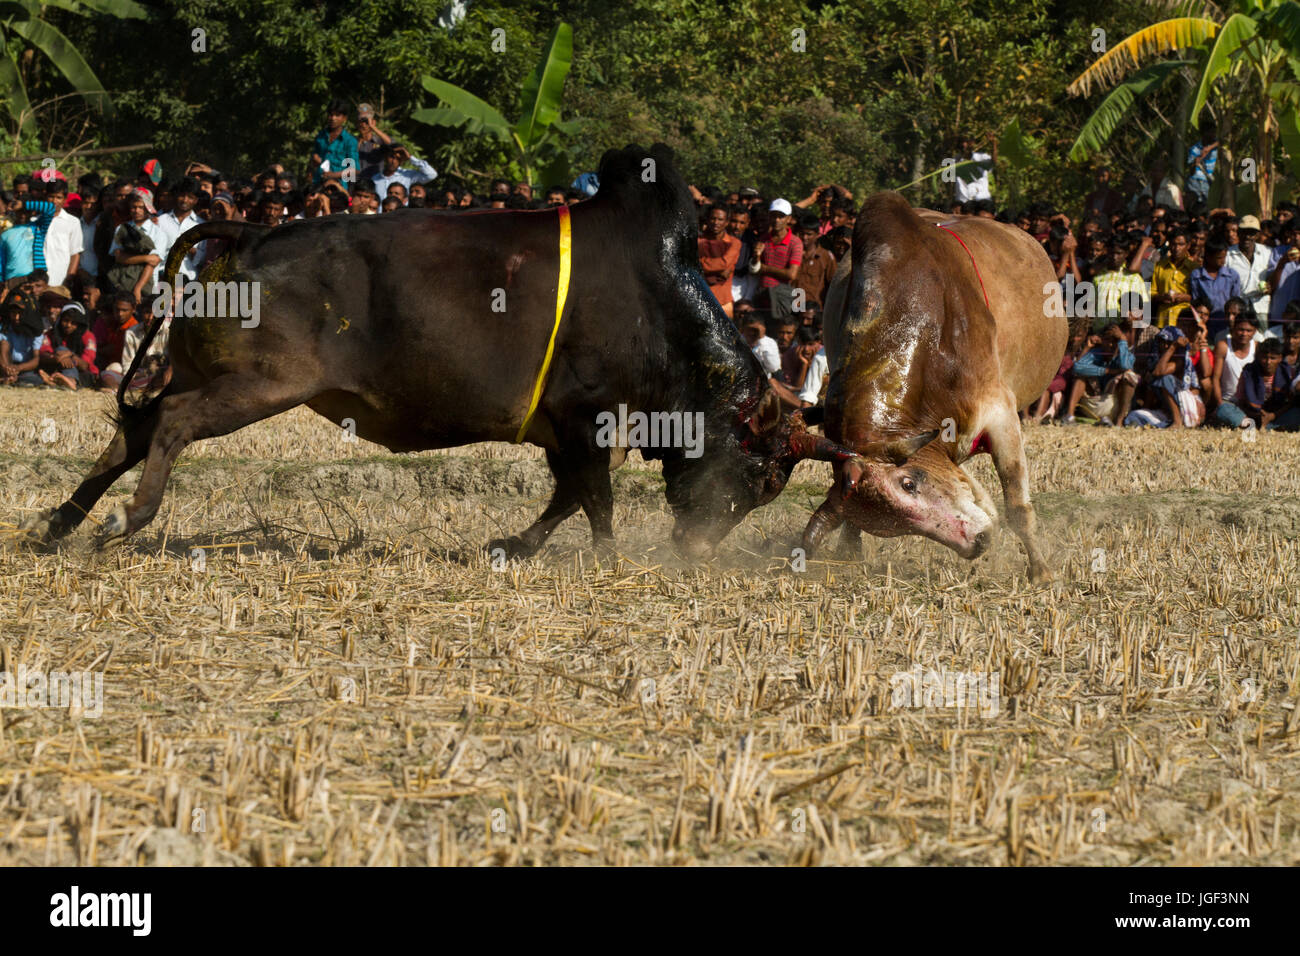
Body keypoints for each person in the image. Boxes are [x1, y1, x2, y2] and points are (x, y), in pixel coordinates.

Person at [1062, 321, 1136, 425]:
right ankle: (1069, 416)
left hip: (1114, 404)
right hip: (1093, 404)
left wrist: (1123, 340)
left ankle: (1119, 421)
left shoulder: (1126, 355)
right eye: (1107, 340)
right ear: (1101, 341)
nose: (1111, 344)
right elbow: (1077, 367)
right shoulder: (1096, 352)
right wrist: (1107, 371)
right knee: (1080, 378)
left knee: (1129, 376)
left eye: (1115, 341)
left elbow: (1125, 366)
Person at [749, 199, 802, 319]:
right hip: (763, 295)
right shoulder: (763, 239)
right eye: (774, 216)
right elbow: (754, 269)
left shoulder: (795, 242)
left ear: (788, 219)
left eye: (781, 216)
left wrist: (764, 268)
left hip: (782, 296)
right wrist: (756, 257)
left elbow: (791, 274)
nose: (777, 220)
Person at [1211, 311, 1259, 428]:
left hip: (1249, 403)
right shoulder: (1223, 346)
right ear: (1233, 329)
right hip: (1228, 402)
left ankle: (1244, 421)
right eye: (1241, 329)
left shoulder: (1257, 347)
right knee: (1223, 411)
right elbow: (1215, 378)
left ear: (1254, 331)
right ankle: (1246, 422)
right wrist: (1219, 403)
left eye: (1248, 331)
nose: (1244, 334)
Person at [37, 301, 96, 389]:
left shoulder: (88, 336)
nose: (68, 325)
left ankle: (70, 380)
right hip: (57, 367)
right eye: (66, 321)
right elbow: (43, 354)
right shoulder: (50, 334)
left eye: (73, 323)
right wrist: (57, 358)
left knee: (61, 349)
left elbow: (85, 365)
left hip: (82, 373)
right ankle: (57, 382)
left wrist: (71, 356)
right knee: (30, 376)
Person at [1227, 214, 1272, 328]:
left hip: (1261, 306)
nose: (1247, 236)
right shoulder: (1228, 254)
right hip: (1239, 307)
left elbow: (1272, 277)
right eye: (1244, 232)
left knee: (1263, 335)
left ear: (1257, 235)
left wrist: (1269, 286)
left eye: (1251, 233)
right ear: (1238, 233)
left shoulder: (1267, 252)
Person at [697, 203, 741, 314]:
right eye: (713, 218)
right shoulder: (698, 241)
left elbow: (724, 263)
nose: (716, 222)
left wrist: (701, 263)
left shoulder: (734, 243)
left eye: (720, 219)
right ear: (707, 220)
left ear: (726, 222)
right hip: (700, 298)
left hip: (723, 301)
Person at [39, 180, 82, 288]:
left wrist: (69, 279)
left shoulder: (73, 222)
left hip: (61, 280)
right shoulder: (35, 221)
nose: (54, 201)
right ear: (45, 197)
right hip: (38, 282)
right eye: (51, 196)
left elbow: (75, 254)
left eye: (58, 197)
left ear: (65, 199)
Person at [309, 100, 359, 191]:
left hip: (338, 188)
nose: (333, 118)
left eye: (337, 115)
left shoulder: (349, 141)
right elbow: (314, 159)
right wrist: (315, 160)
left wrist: (333, 175)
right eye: (331, 115)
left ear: (344, 118)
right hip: (318, 184)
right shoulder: (320, 136)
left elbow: (354, 170)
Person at [1151, 227, 1195, 327]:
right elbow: (1151, 293)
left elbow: (1199, 297)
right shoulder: (1159, 266)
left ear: (1188, 245)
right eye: (1173, 244)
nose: (1176, 248)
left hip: (1184, 322)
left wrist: (1186, 297)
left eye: (1181, 244)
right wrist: (1162, 297)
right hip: (1162, 321)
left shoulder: (1194, 268)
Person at [792, 212, 836, 313]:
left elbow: (833, 286)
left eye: (809, 234)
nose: (804, 237)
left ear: (817, 235)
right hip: (793, 309)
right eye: (802, 233)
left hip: (815, 312)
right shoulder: (792, 253)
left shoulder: (826, 257)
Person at [370, 145, 436, 204]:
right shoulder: (375, 179)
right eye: (391, 157)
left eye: (398, 159)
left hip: (401, 213)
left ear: (401, 161)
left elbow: (432, 174)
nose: (393, 161)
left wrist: (410, 157)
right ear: (385, 157)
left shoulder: (408, 176)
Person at [0, 298, 44, 386]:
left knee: (34, 379)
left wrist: (18, 368)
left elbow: (36, 359)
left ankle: (11, 380)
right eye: (13, 313)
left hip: (25, 367)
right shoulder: (4, 327)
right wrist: (8, 369)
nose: (17, 317)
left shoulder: (36, 330)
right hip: (7, 365)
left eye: (20, 313)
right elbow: (3, 351)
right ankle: (8, 378)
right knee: (3, 344)